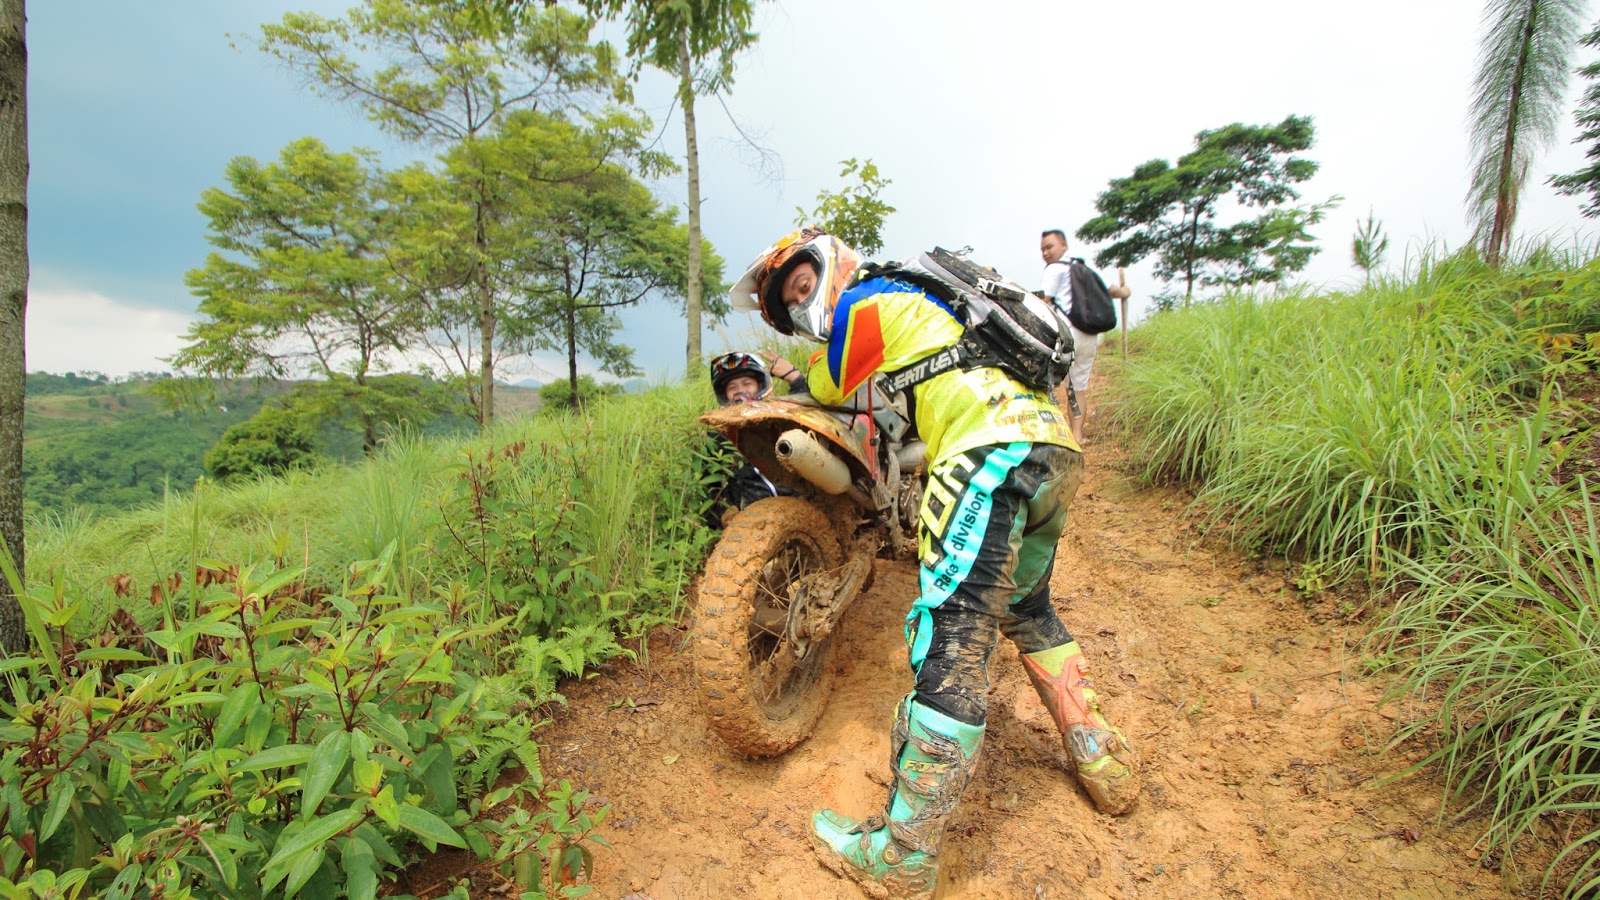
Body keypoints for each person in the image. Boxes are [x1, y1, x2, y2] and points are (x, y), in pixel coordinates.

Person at [730, 228, 1139, 898]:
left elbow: (833, 385)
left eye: (803, 288)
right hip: (1051, 450)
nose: (803, 307)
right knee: (1026, 609)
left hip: (985, 455)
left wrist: (801, 371)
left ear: (830, 263)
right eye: (789, 305)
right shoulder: (936, 299)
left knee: (953, 638)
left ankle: (904, 853)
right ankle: (1102, 759)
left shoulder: (867, 298)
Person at [1039, 229, 1130, 445]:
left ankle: (1049, 436)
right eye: (1042, 249)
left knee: (1045, 384)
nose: (1045, 252)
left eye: (1049, 247)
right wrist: (1126, 291)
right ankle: (1077, 437)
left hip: (1065, 336)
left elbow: (1045, 298)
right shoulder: (1086, 268)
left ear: (1064, 245)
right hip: (1089, 335)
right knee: (1076, 387)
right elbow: (1114, 291)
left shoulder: (1054, 269)